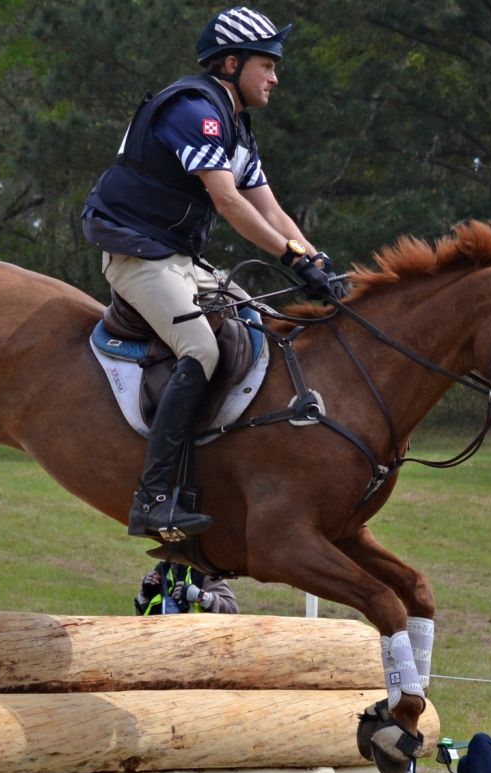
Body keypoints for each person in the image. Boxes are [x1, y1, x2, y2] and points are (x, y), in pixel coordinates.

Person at [82, 6, 344, 543]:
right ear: (231, 63)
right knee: (201, 350)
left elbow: (271, 211)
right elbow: (227, 202)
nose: (275, 76)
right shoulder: (195, 110)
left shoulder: (237, 128)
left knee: (258, 321)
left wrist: (316, 261)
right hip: (137, 256)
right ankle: (154, 498)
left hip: (179, 260)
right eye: (267, 63)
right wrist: (290, 259)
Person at [134, 560, 239, 615]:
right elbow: (142, 619)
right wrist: (144, 594)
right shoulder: (162, 570)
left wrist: (200, 596)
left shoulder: (204, 572)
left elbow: (232, 610)